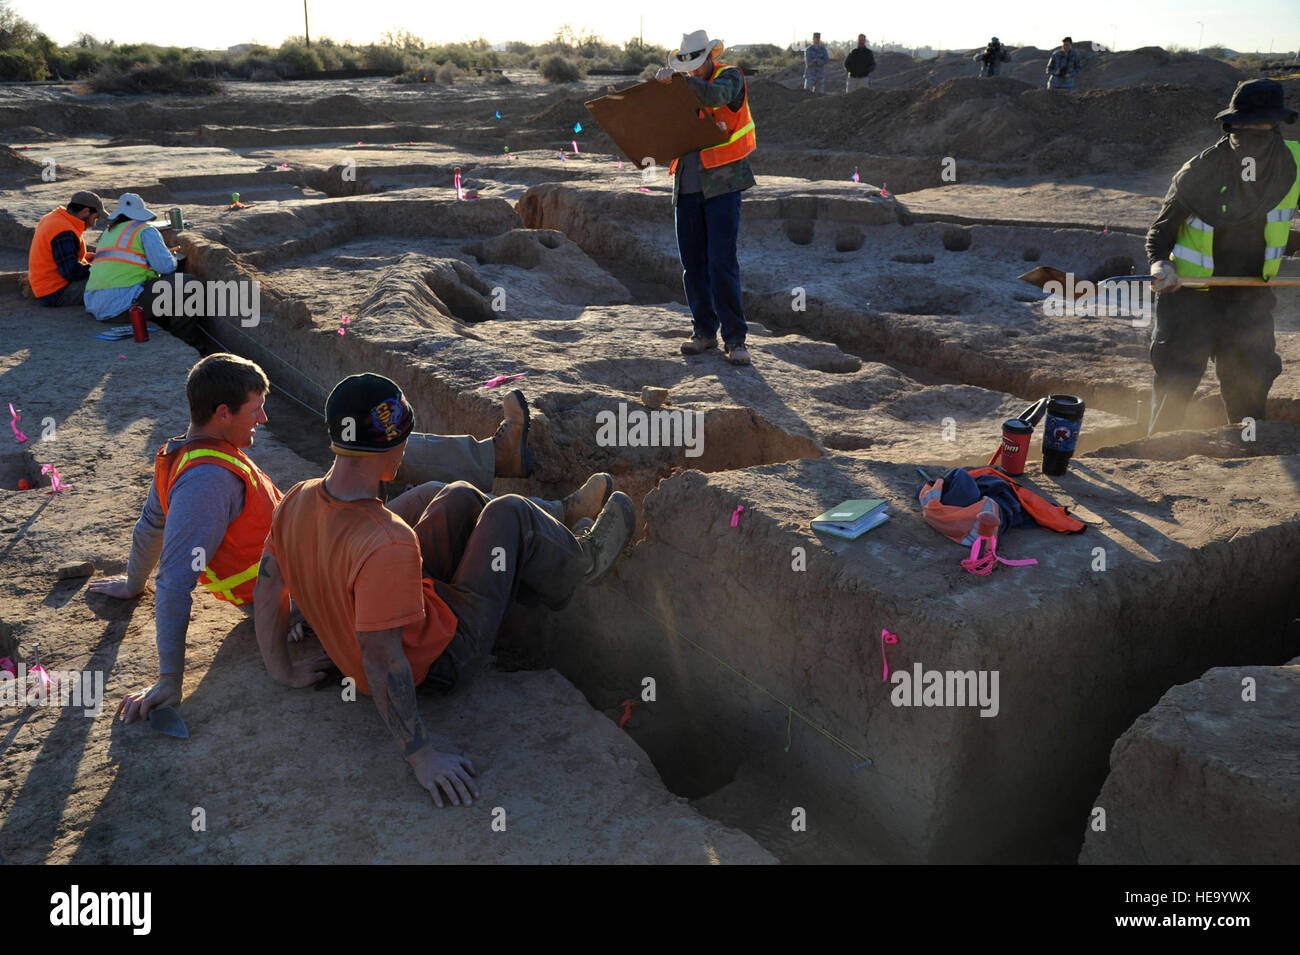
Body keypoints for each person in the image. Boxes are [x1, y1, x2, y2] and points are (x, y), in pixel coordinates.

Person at [90, 353, 610, 725]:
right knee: (491, 510)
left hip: (318, 559)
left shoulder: (202, 460)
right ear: (222, 414)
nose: (265, 419)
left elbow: (149, 528)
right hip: (340, 596)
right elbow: (179, 582)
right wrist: (170, 678)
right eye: (255, 410)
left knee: (444, 492)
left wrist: (132, 583)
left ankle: (546, 506)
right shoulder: (209, 482)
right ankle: (576, 558)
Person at [253, 373, 636, 807]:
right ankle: (584, 565)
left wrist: (279, 668)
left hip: (414, 606)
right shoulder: (388, 541)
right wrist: (422, 756)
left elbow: (268, 588)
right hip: (443, 661)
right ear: (390, 446)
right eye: (405, 438)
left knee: (456, 496)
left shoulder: (296, 500)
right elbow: (382, 658)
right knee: (508, 511)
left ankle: (542, 550)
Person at [1146, 79, 1299, 433]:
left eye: (1264, 123)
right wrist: (1160, 266)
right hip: (1188, 299)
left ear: (1276, 124)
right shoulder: (1199, 171)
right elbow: (1161, 231)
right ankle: (1157, 454)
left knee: (1250, 384)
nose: (1256, 131)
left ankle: (1248, 447)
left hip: (1250, 298)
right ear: (1233, 125)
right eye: (1248, 124)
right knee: (1175, 385)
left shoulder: (1295, 164)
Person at [654, 29, 757, 366]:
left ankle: (736, 339)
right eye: (687, 65)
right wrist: (660, 91)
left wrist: (681, 85)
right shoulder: (682, 85)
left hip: (723, 186)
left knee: (721, 263)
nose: (693, 69)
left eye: (697, 63)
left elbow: (715, 97)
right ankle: (703, 332)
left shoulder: (730, 77)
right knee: (693, 266)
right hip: (687, 186)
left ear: (710, 56)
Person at [83, 193, 183, 324]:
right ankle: (182, 336)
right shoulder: (145, 230)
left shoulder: (108, 232)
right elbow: (166, 267)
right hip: (122, 307)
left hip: (94, 305)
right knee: (186, 283)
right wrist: (172, 257)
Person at [27, 191, 102, 307]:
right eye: (95, 218)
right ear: (86, 212)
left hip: (46, 287)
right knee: (109, 283)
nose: (93, 224)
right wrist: (100, 268)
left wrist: (86, 258)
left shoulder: (54, 218)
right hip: (55, 293)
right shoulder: (64, 231)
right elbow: (71, 272)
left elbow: (58, 256)